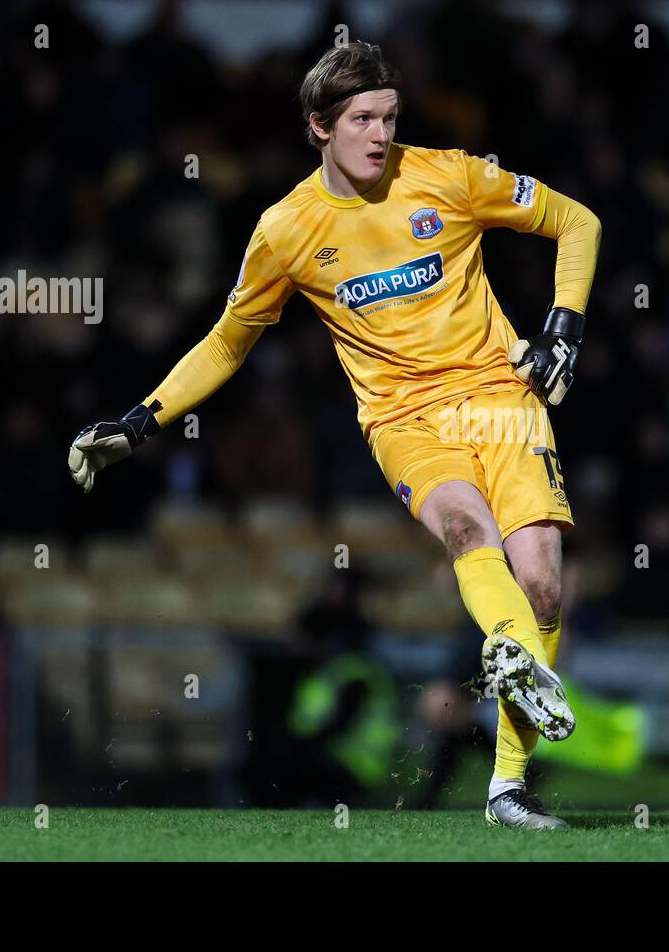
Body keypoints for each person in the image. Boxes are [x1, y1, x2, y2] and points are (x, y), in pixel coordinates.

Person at [67, 41, 601, 829]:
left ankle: (505, 779)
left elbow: (575, 220)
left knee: (544, 581)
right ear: (319, 127)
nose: (381, 133)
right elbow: (226, 341)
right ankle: (513, 703)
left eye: (389, 116)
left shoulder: (449, 175)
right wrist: (144, 419)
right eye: (362, 120)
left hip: (500, 395)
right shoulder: (286, 231)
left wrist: (564, 328)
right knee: (465, 529)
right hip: (402, 420)